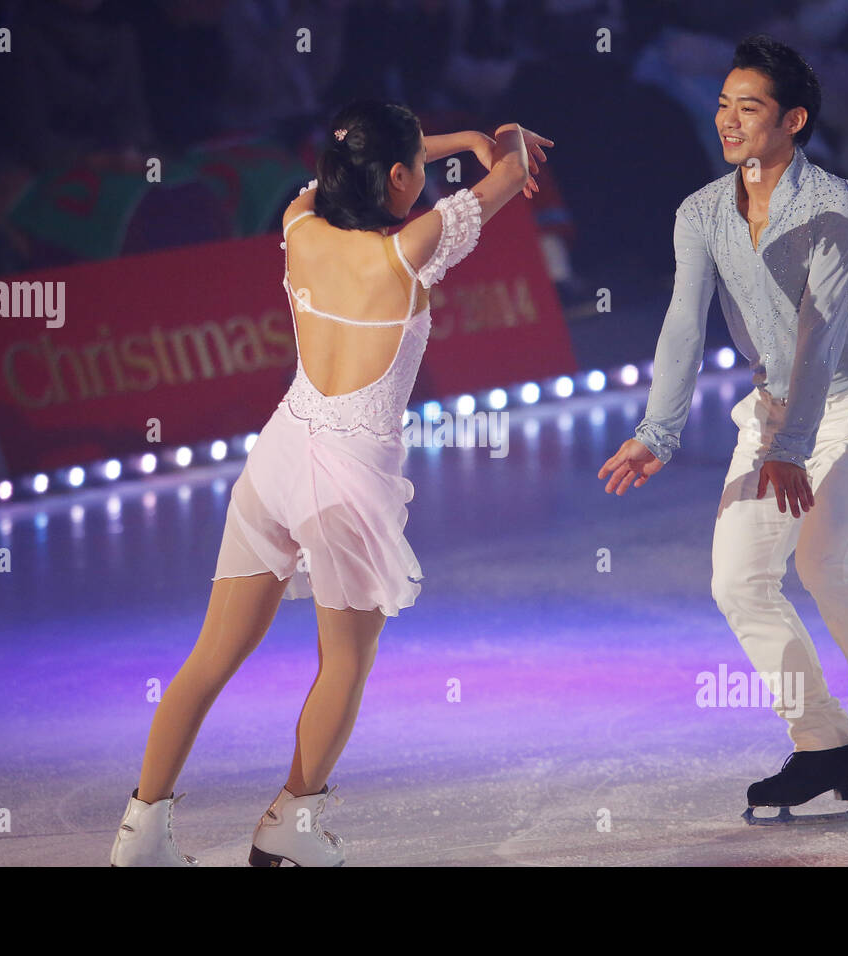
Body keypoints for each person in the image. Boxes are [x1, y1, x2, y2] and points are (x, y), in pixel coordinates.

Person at [111, 99, 553, 866]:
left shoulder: (298, 224)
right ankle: (290, 830)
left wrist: (446, 145)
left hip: (280, 455)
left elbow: (348, 171)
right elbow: (512, 172)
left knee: (212, 653)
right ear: (397, 177)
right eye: (415, 162)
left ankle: (138, 836)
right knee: (343, 661)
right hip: (348, 482)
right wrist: (497, 138)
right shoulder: (409, 252)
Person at [599, 35, 848, 821]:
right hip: (772, 414)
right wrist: (659, 432)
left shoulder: (837, 208)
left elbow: (822, 332)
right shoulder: (702, 212)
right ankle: (821, 744)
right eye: (722, 104)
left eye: (750, 107)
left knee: (825, 563)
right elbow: (683, 326)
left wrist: (791, 448)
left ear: (793, 119)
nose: (729, 120)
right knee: (738, 580)